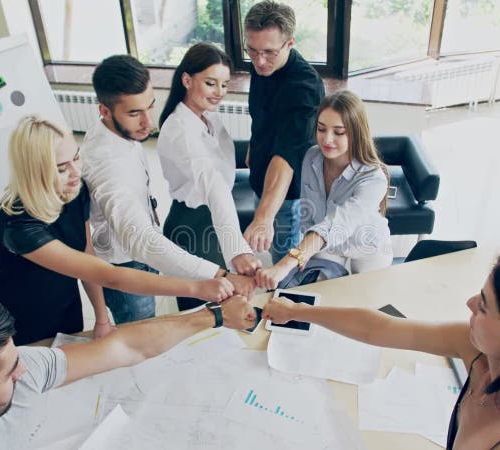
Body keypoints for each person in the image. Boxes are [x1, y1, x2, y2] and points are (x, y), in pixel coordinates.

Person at [263, 252, 500, 450]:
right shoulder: (475, 350)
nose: (469, 303)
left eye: (484, 306)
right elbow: (381, 328)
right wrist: (298, 311)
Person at [0, 295, 256, 450]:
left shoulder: (23, 369)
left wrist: (214, 316)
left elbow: (125, 346)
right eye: (10, 373)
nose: (25, 370)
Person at [0, 115, 233, 345]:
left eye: (76, 158)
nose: (76, 172)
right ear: (35, 171)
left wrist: (101, 317)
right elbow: (109, 275)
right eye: (61, 168)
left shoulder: (74, 191)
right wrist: (196, 287)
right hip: (19, 313)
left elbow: (88, 254)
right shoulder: (17, 225)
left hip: (63, 300)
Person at [81, 54, 255, 324]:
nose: (148, 123)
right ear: (104, 110)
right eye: (134, 113)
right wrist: (219, 274)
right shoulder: (108, 168)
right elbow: (142, 242)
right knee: (142, 335)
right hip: (124, 262)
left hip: (147, 244)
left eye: (149, 107)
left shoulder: (119, 130)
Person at [158, 42, 262, 311]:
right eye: (211, 83)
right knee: (203, 312)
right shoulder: (180, 130)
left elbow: (223, 165)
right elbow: (213, 184)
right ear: (187, 80)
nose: (219, 93)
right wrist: (237, 248)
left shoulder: (208, 117)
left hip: (217, 216)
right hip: (193, 225)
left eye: (225, 84)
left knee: (226, 306)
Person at [256, 90, 393, 290]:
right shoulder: (312, 157)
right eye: (321, 129)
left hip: (367, 246)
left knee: (366, 300)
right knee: (318, 294)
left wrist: (288, 261)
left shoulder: (374, 179)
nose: (327, 140)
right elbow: (308, 212)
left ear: (356, 132)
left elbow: (339, 224)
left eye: (339, 132)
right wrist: (304, 252)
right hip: (327, 245)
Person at [242, 1, 325, 264]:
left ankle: (288, 300)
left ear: (290, 43)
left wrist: (264, 218)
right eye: (252, 51)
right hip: (260, 174)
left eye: (268, 52)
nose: (259, 60)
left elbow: (286, 155)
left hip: (288, 190)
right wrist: (252, 150)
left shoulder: (305, 86)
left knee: (284, 258)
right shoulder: (262, 64)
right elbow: (262, 117)